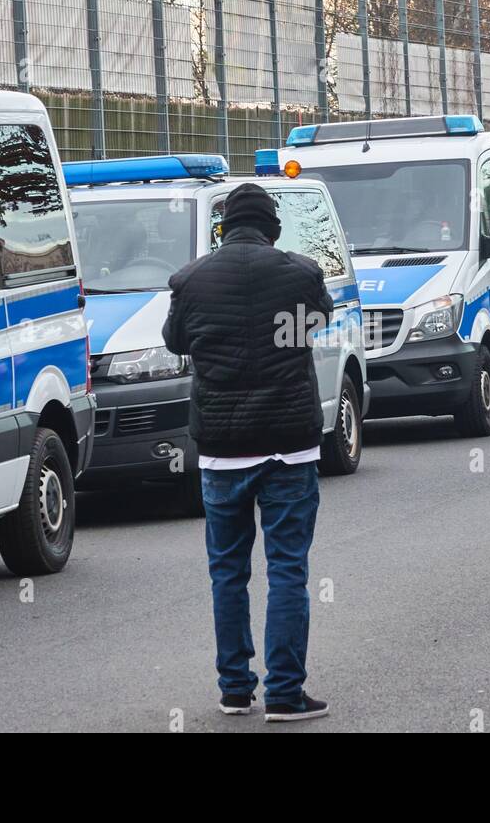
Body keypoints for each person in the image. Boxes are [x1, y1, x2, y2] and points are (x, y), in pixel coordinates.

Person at [163, 182, 334, 723]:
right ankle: (285, 693)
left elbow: (176, 341)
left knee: (228, 572)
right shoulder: (301, 274)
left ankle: (235, 689)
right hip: (288, 448)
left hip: (222, 451)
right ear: (272, 228)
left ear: (223, 228)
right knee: (287, 569)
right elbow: (319, 324)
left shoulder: (191, 280)